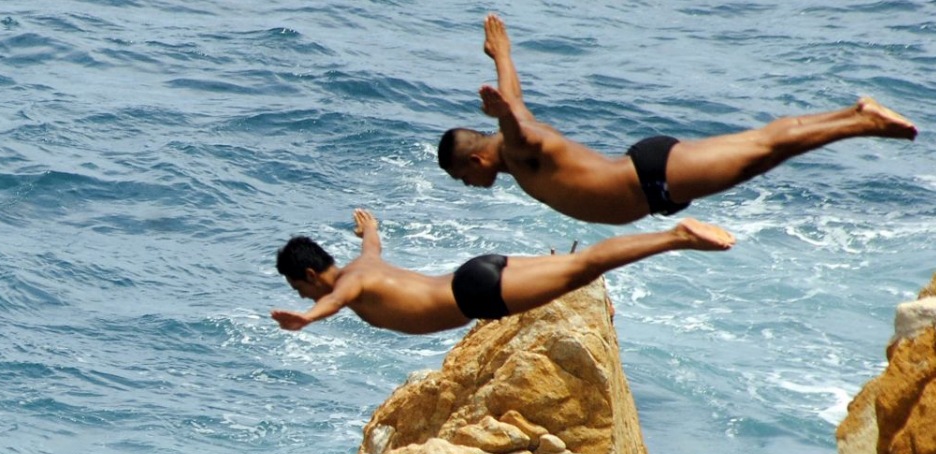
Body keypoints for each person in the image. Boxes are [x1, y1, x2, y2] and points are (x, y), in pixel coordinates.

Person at [437, 14, 919, 225]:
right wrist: (501, 55)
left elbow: (516, 126)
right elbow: (516, 106)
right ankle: (855, 113)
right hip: (650, 179)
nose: (469, 186)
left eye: (464, 178)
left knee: (763, 153)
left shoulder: (516, 151)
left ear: (477, 160)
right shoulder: (514, 146)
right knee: (761, 147)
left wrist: (503, 113)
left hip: (651, 178)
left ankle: (864, 124)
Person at [271, 208, 734, 335]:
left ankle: (676, 238)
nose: (301, 297)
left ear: (311, 274)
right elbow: (373, 242)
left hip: (476, 295)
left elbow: (333, 301)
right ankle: (669, 242)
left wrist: (308, 320)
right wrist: (367, 227)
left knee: (586, 264)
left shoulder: (348, 284)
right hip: (475, 273)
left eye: (298, 289)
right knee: (576, 267)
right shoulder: (363, 264)